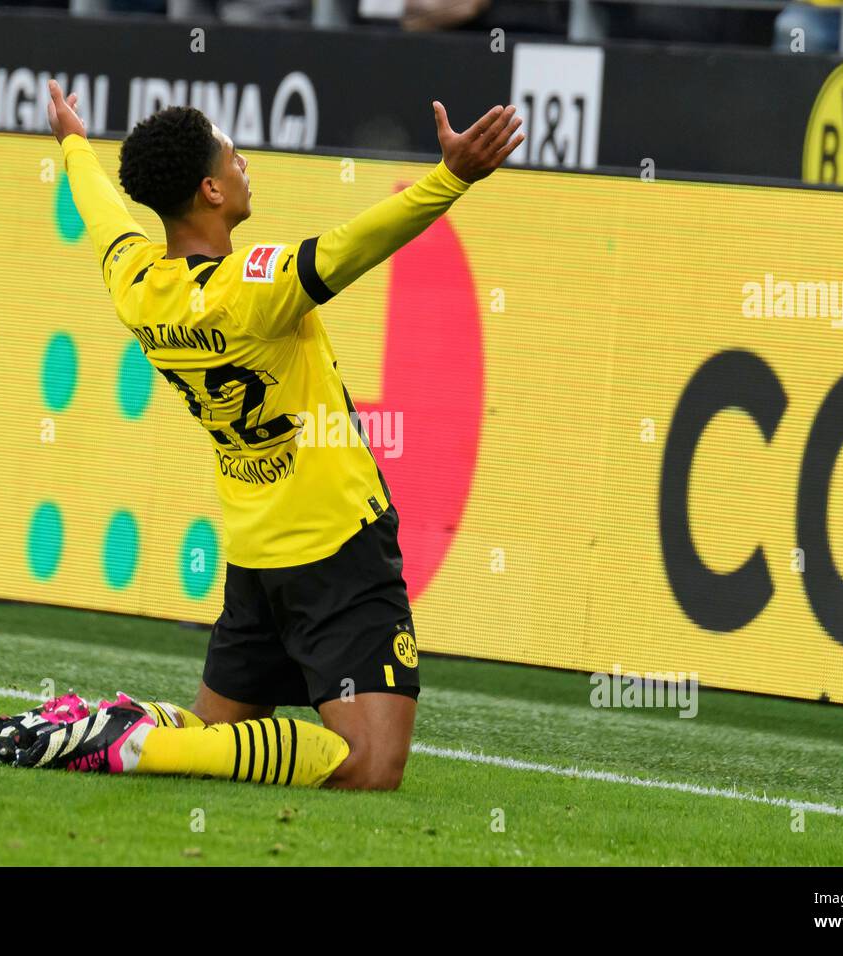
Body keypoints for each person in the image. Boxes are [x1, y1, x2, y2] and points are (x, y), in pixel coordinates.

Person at [41, 79, 522, 789]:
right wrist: (451, 178)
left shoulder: (136, 283)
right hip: (338, 544)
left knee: (218, 742)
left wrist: (74, 143)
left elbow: (103, 213)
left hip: (254, 550)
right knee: (368, 767)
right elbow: (353, 246)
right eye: (233, 157)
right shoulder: (252, 290)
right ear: (208, 189)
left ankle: (122, 727)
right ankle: (135, 742)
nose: (244, 166)